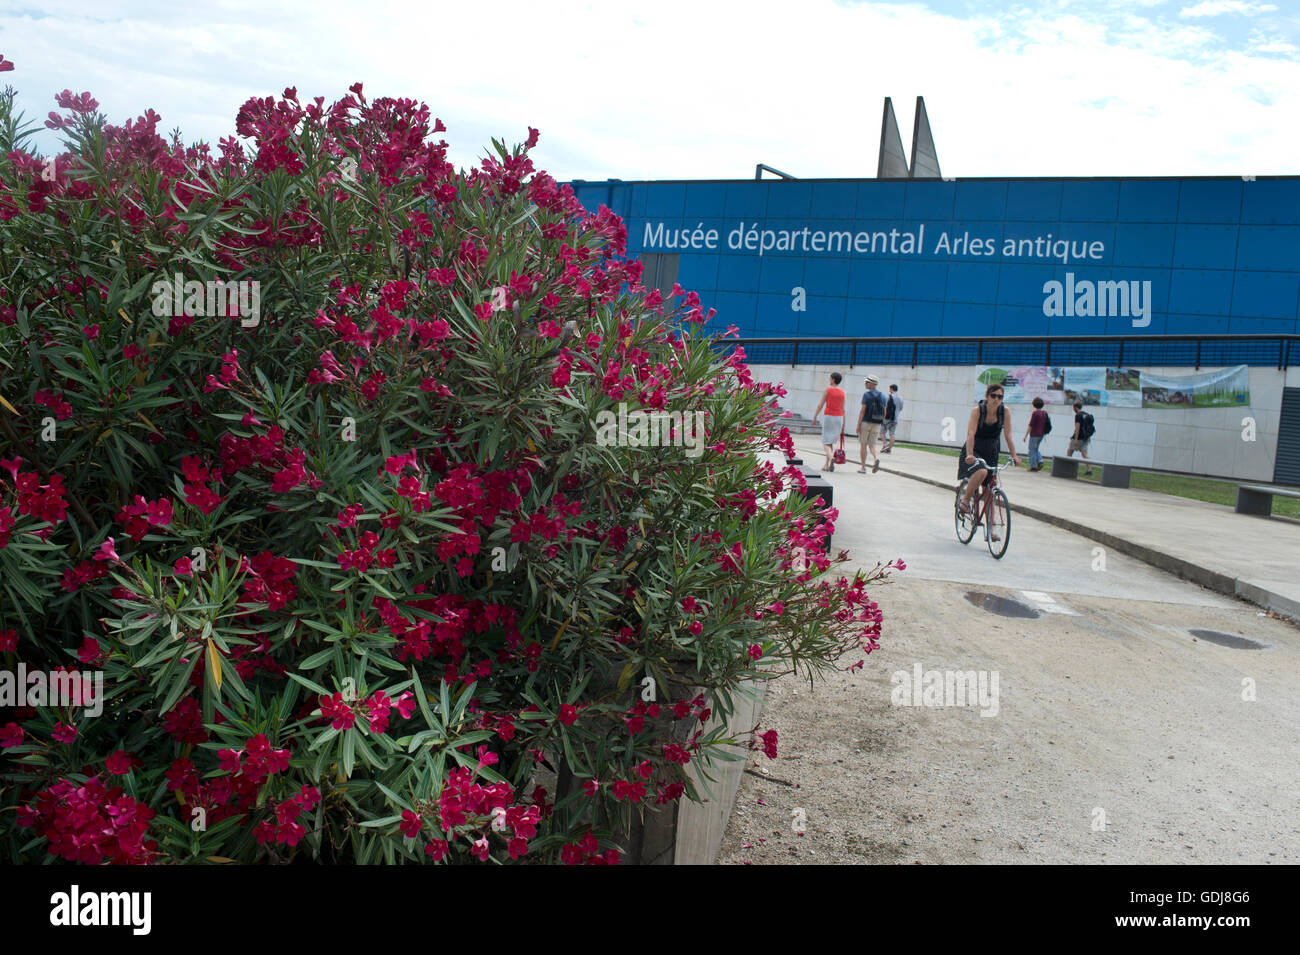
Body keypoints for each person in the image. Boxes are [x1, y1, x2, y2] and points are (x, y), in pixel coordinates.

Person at [957, 383, 1021, 522]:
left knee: (989, 491)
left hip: (991, 450)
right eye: (993, 396)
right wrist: (969, 454)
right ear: (987, 396)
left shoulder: (1005, 412)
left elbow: (1008, 435)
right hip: (974, 448)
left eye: (1000, 397)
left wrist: (1014, 455)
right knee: (981, 472)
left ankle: (992, 527)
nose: (996, 399)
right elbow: (971, 433)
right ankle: (965, 500)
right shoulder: (977, 410)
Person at [810, 372, 846, 472]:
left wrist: (815, 416)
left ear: (833, 380)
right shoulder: (842, 392)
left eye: (830, 379)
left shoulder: (828, 390)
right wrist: (844, 424)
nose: (829, 380)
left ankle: (831, 457)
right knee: (830, 442)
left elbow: (820, 405)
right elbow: (843, 409)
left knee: (825, 441)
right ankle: (827, 465)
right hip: (839, 418)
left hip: (829, 417)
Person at [855, 374, 885, 473]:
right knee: (872, 445)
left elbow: (862, 411)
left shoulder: (866, 395)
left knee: (863, 445)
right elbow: (885, 412)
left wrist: (858, 424)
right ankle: (876, 458)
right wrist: (880, 422)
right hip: (877, 423)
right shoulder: (883, 396)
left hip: (866, 422)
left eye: (867, 382)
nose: (865, 384)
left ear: (872, 384)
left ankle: (863, 468)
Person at [1067, 400, 1094, 475]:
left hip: (1078, 438)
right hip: (1086, 438)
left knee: (1069, 452)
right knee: (1084, 454)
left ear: (1075, 407)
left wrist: (1075, 439)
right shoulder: (1086, 415)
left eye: (1073, 408)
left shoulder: (1078, 415)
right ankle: (1089, 470)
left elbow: (1077, 428)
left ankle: (1067, 469)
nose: (1073, 409)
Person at [1024, 396, 1049, 471]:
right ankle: (1040, 461)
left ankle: (1033, 466)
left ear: (1034, 404)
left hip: (1034, 434)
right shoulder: (1044, 413)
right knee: (1035, 449)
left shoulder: (1035, 413)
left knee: (1031, 450)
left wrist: (1025, 435)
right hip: (1042, 435)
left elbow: (1030, 425)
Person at [881, 384, 904, 453]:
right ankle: (889, 449)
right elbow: (900, 409)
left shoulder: (888, 397)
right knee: (892, 434)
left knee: (882, 432)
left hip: (887, 418)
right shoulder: (901, 398)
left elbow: (884, 407)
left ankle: (885, 444)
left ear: (891, 389)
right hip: (895, 419)